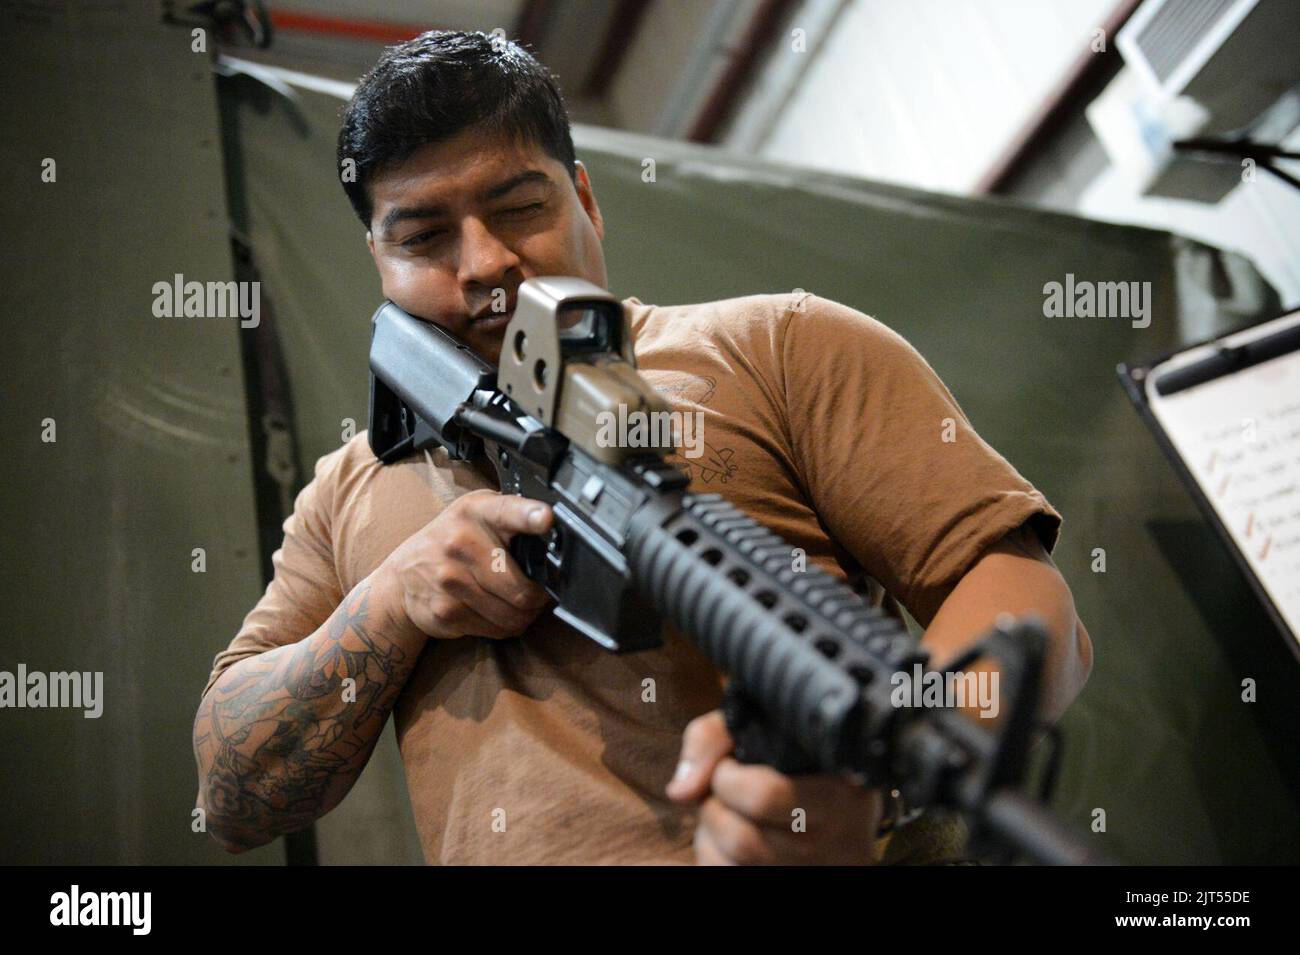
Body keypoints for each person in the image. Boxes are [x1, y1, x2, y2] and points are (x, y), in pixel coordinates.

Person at [192, 30, 1092, 865]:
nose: (483, 264)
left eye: (517, 205)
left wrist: (874, 774)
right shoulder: (348, 490)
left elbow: (1022, 604)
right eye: (423, 236)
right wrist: (393, 599)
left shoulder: (783, 346)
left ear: (585, 198)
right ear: (378, 263)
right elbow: (233, 791)